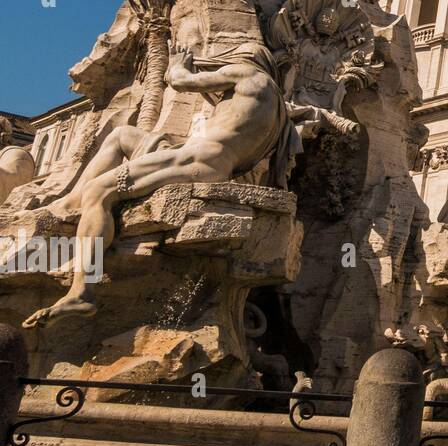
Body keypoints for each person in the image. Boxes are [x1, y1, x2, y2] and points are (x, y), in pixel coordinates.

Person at [22, 41, 292, 329]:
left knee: (100, 192)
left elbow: (180, 81)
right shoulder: (278, 114)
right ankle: (70, 204)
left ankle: (81, 291)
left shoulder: (249, 75)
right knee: (123, 135)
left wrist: (178, 62)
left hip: (196, 159)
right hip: (207, 160)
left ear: (245, 58)